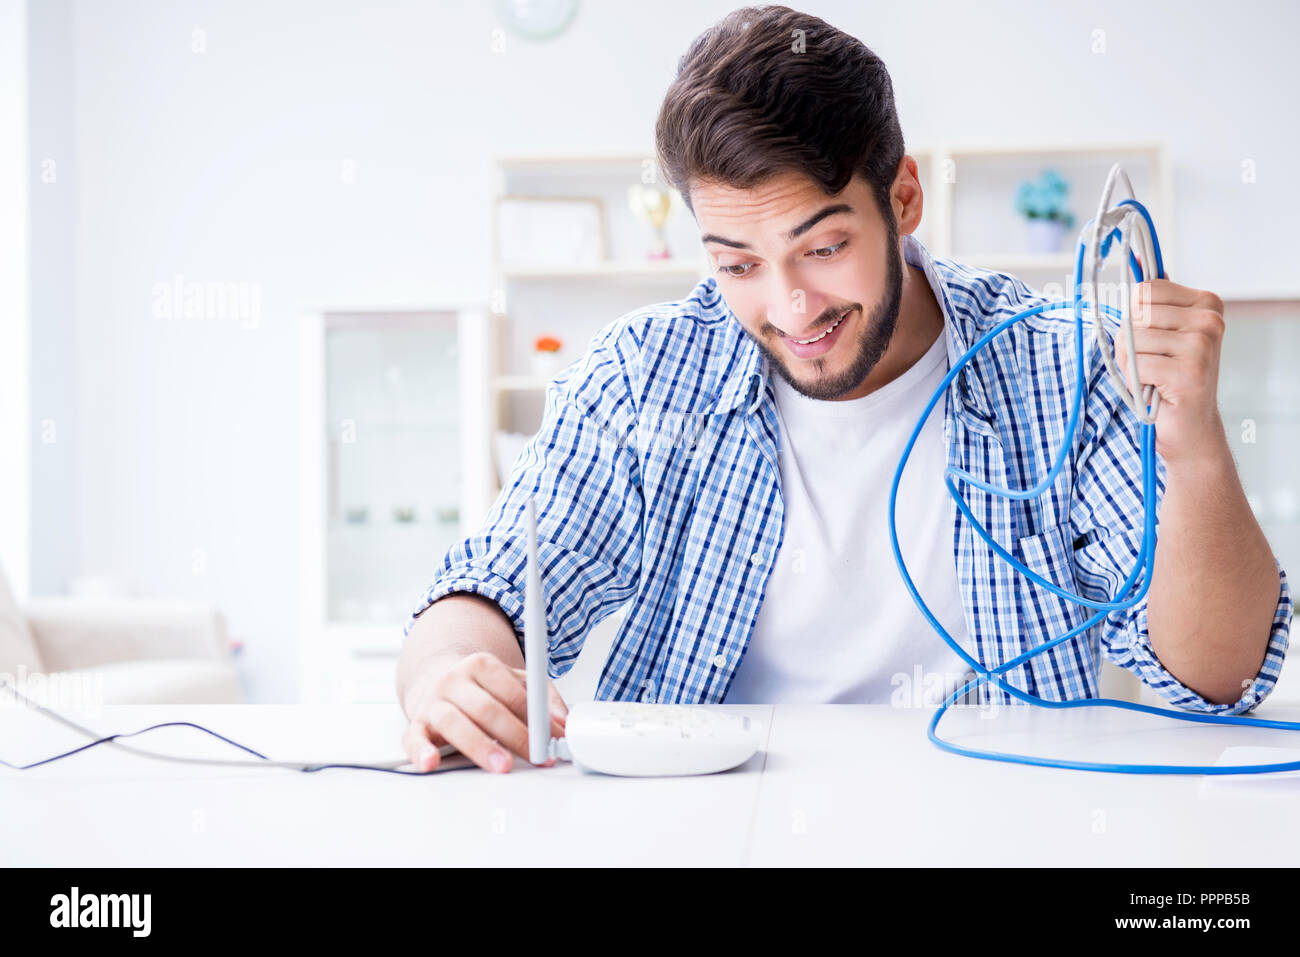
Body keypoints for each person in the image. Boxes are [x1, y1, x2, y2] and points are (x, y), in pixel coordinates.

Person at [396, 4, 1292, 774]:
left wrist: (1196, 448)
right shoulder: (642, 378)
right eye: (740, 264)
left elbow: (1218, 680)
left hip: (1010, 828)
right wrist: (448, 671)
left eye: (823, 248)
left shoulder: (1061, 367)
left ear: (903, 198)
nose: (791, 307)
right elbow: (493, 587)